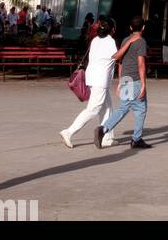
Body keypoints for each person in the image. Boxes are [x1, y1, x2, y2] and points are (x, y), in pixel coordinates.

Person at [59, 17, 117, 149]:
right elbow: (117, 56)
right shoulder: (110, 41)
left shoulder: (95, 40)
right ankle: (69, 132)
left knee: (107, 107)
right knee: (93, 109)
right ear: (113, 29)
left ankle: (107, 137)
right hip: (100, 80)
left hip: (92, 77)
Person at [95, 17, 150, 150]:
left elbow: (120, 61)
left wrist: (120, 80)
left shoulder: (126, 40)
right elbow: (141, 64)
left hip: (126, 79)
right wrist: (143, 85)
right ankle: (136, 139)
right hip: (135, 80)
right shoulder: (141, 42)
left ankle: (103, 129)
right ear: (143, 28)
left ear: (130, 28)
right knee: (140, 109)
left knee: (123, 107)